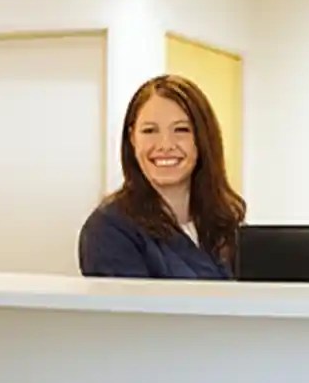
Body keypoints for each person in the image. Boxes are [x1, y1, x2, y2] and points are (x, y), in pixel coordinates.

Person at [78, 74, 246, 279]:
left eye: (181, 130)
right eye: (149, 131)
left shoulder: (226, 222)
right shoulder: (109, 231)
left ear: (203, 138)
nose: (165, 145)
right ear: (132, 138)